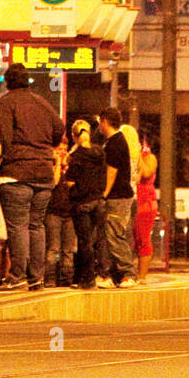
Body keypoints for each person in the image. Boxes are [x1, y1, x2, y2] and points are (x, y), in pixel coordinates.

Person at [0, 64, 64, 291]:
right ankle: (36, 278)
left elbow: (0, 137)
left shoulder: (6, 102)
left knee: (18, 226)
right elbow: (59, 128)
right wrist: (45, 147)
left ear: (7, 82)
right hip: (44, 173)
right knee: (36, 226)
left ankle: (17, 275)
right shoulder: (42, 102)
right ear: (28, 81)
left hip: (16, 172)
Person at [97, 109, 139, 288]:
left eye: (100, 121)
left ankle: (129, 273)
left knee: (115, 235)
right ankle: (110, 275)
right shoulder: (112, 141)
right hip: (119, 195)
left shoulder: (115, 143)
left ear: (105, 121)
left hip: (118, 196)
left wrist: (104, 194)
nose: (99, 125)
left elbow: (112, 172)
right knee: (109, 236)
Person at [66, 119, 106, 289]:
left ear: (74, 136)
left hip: (82, 202)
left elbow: (70, 182)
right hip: (98, 201)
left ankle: (87, 279)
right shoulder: (99, 153)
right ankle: (102, 274)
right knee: (99, 240)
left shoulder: (75, 156)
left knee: (85, 242)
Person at [44, 139, 77, 287]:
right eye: (59, 149)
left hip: (69, 214)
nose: (62, 152)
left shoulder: (71, 168)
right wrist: (57, 163)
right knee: (53, 248)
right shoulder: (50, 166)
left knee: (68, 250)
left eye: (64, 149)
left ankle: (66, 278)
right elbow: (54, 182)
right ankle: (50, 278)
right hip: (53, 212)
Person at [133, 134, 159, 280]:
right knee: (131, 239)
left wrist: (139, 155)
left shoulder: (150, 157)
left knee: (142, 239)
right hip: (133, 201)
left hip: (145, 203)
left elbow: (146, 172)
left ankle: (142, 277)